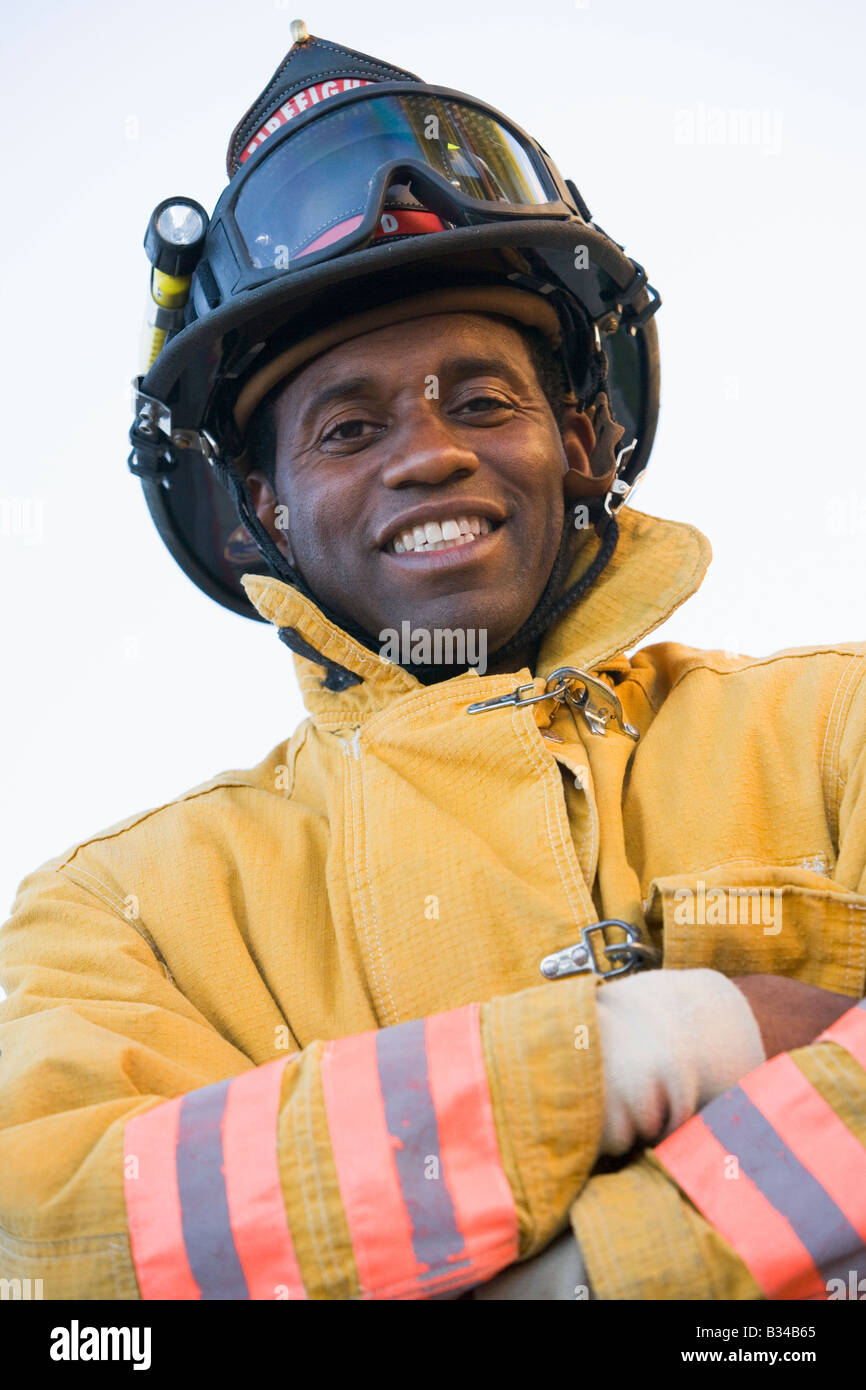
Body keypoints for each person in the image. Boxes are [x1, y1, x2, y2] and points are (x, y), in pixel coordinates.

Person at [1, 23, 864, 1302]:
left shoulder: (827, 729)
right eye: (348, 426)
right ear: (265, 508)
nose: (427, 455)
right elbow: (60, 1250)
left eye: (481, 400)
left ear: (577, 439)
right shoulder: (125, 917)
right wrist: (667, 1044)